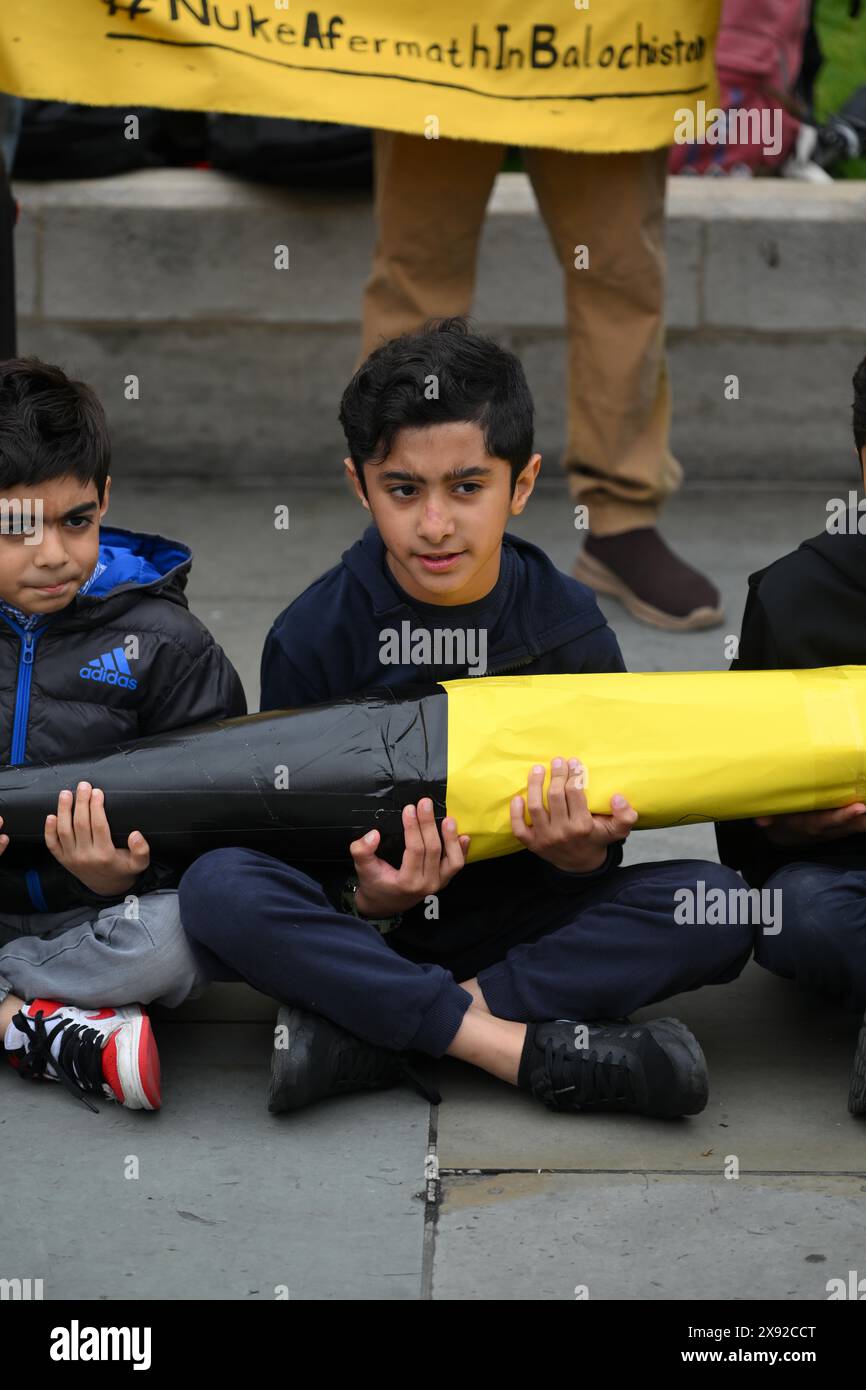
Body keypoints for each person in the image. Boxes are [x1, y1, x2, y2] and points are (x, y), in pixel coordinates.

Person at [180, 318, 751, 1122]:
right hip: (383, 939)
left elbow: (601, 840)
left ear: (521, 485)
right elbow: (294, 858)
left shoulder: (568, 626)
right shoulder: (313, 637)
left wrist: (581, 855)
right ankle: (513, 1051)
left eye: (467, 487)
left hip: (525, 931)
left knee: (718, 903)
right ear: (360, 484)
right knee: (219, 888)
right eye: (404, 490)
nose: (436, 524)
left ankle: (386, 1033)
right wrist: (371, 898)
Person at [0, 356, 246, 1112]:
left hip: (103, 920)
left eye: (77, 520)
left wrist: (123, 877)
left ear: (105, 499)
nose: (52, 553)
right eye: (16, 527)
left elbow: (220, 821)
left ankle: (20, 1011)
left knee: (192, 932)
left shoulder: (163, 641)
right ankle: (42, 1028)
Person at [358, 131, 723, 632]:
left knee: (618, 266)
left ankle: (620, 521)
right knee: (418, 263)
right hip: (442, 58)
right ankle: (401, 513)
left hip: (594, 63)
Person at [716, 350, 866, 1115]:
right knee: (794, 915)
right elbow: (741, 846)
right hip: (845, 882)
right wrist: (790, 828)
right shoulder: (793, 596)